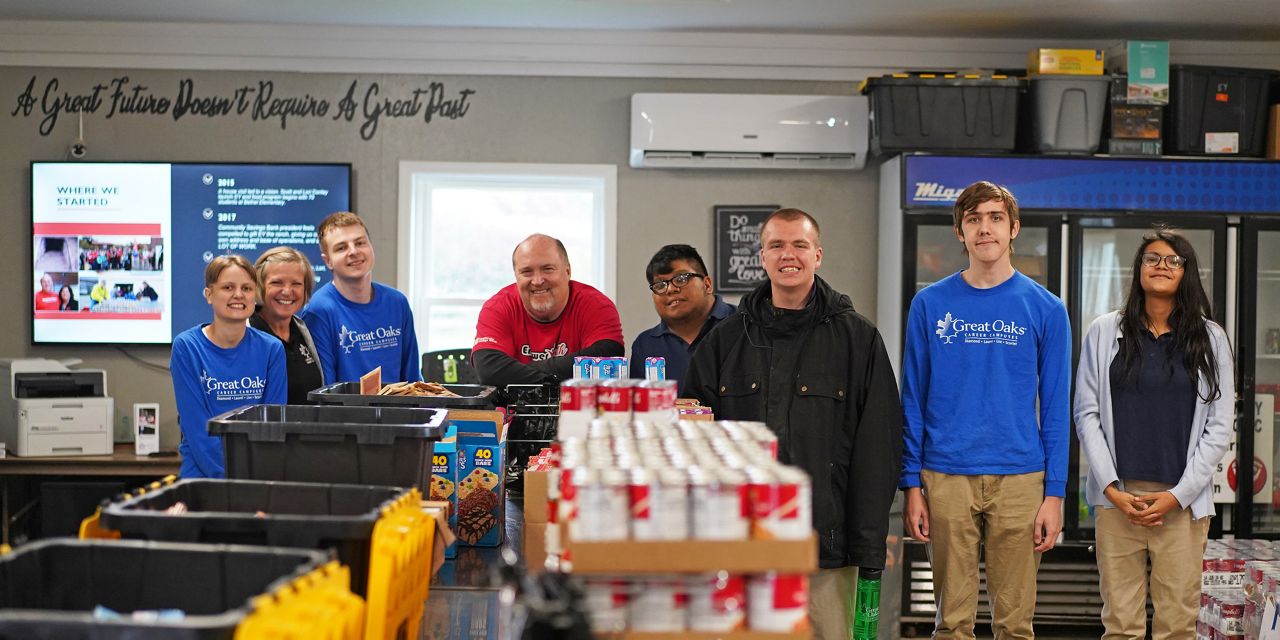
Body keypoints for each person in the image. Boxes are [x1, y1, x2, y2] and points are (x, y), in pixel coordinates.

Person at [682, 209, 902, 639]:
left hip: (827, 550)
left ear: (817, 255)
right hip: (742, 548)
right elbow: (693, 440)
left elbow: (879, 449)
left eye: (800, 245)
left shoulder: (858, 340)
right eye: (777, 245)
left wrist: (868, 547)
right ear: (761, 257)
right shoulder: (724, 341)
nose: (788, 255)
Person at [899, 181, 1071, 640]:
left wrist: (1055, 494)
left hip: (1021, 479)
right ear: (960, 232)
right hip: (945, 476)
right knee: (951, 624)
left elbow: (1057, 407)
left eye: (995, 218)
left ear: (1014, 228)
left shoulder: (1047, 309)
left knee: (1014, 626)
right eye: (973, 220)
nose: (985, 228)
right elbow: (912, 397)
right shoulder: (929, 304)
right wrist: (911, 483)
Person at [1074, 229, 1233, 639]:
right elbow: (1086, 413)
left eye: (1172, 260)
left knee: (1176, 625)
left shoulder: (1211, 338)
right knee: (1120, 625)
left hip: (1181, 503)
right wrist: (1111, 489)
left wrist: (1178, 496)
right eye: (1152, 258)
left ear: (1186, 272)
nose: (1161, 266)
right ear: (1139, 269)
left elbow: (1219, 426)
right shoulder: (1104, 331)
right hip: (1118, 500)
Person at [170, 255, 286, 478]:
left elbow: (272, 425)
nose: (238, 295)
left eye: (247, 288)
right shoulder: (187, 347)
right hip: (202, 470)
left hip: (257, 469)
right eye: (228, 287)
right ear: (209, 294)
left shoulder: (272, 349)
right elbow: (196, 429)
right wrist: (228, 480)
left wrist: (253, 478)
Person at [472, 234, 624, 387]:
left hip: (581, 402)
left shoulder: (596, 306)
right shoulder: (498, 308)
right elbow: (489, 370)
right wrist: (558, 378)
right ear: (516, 276)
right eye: (526, 272)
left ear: (568, 271)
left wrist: (515, 372)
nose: (537, 281)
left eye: (548, 269)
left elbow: (608, 358)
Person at [300, 211, 420, 384]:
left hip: (398, 402)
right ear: (328, 261)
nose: (353, 251)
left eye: (360, 243)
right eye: (341, 248)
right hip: (346, 403)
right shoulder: (319, 311)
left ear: (371, 246)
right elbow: (326, 391)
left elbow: (413, 380)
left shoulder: (397, 303)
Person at [629, 244, 735, 383]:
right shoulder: (645, 346)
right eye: (660, 285)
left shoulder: (746, 325)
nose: (670, 289)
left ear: (707, 285)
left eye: (681, 279)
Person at [252, 246, 325, 405]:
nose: (287, 291)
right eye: (277, 282)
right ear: (260, 285)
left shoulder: (303, 330)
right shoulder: (246, 333)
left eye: (296, 284)